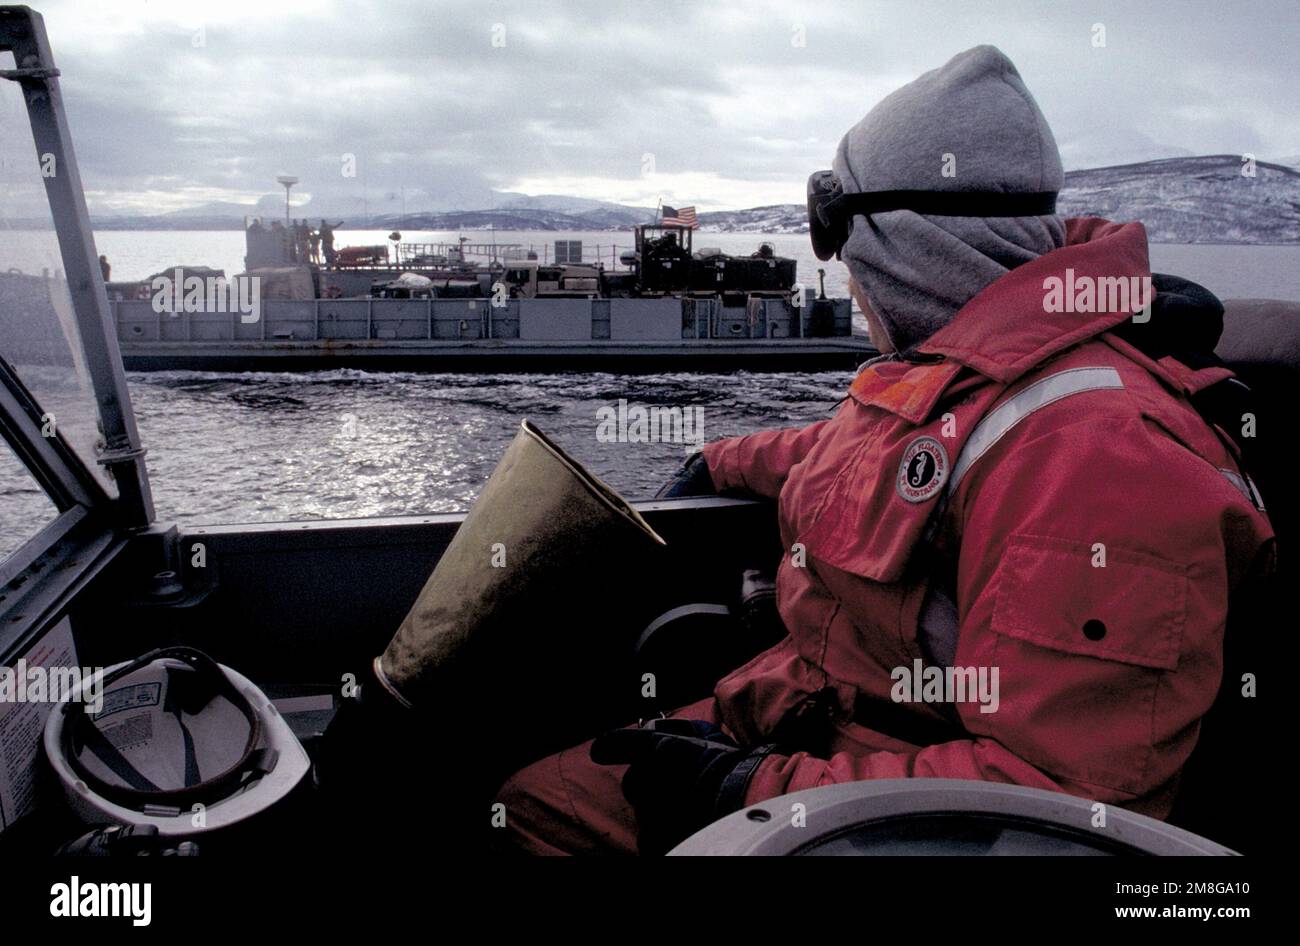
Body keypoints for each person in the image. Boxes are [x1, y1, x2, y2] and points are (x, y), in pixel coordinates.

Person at [494, 45, 1275, 856]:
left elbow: (1066, 807)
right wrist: (724, 460)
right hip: (811, 713)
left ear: (906, 262)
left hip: (900, 801)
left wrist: (748, 791)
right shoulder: (971, 375)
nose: (851, 290)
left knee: (542, 813)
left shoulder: (1102, 461)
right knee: (542, 786)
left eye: (853, 261)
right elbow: (875, 454)